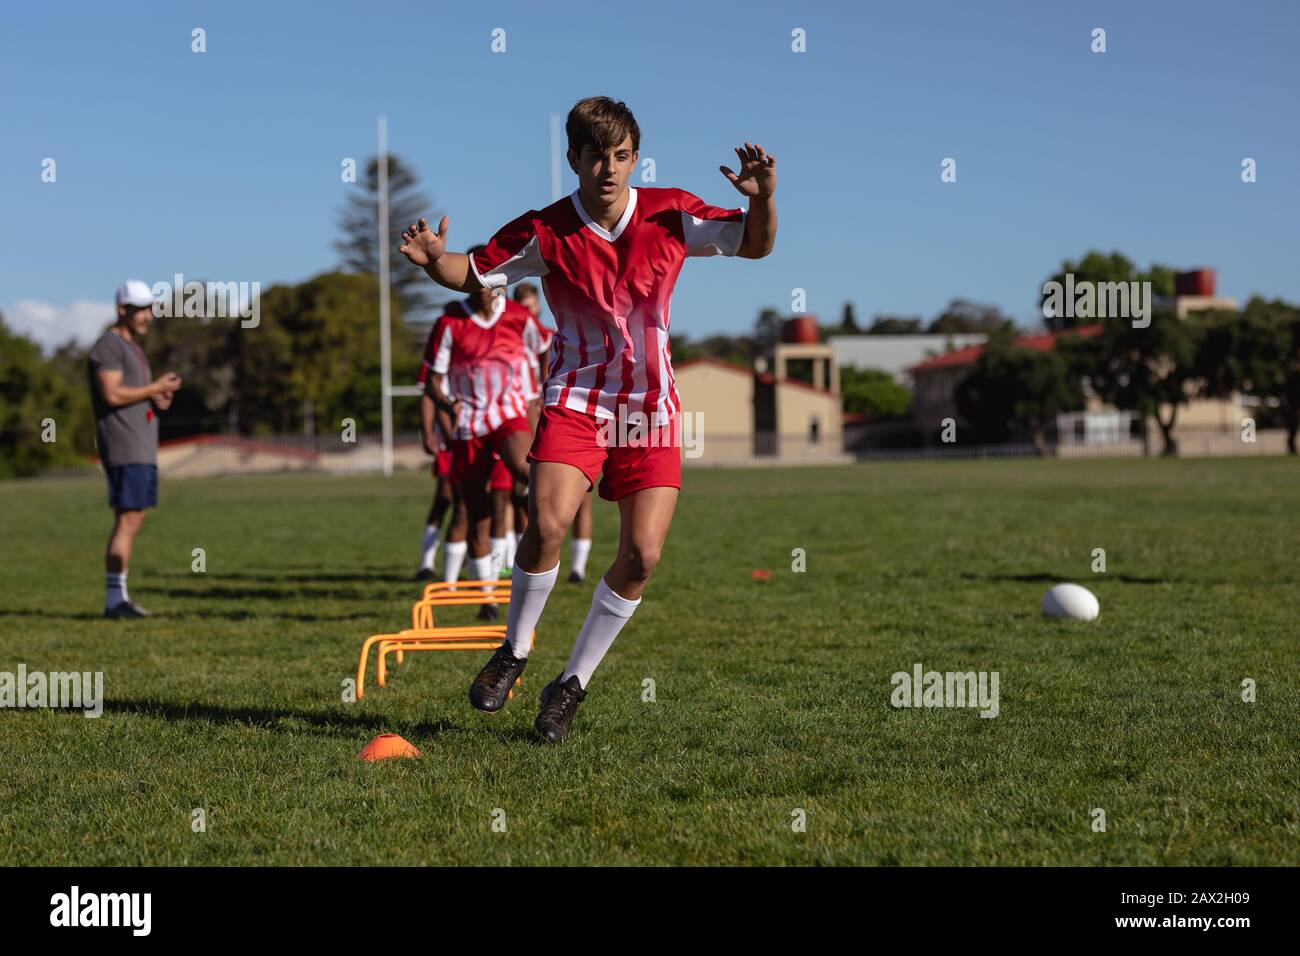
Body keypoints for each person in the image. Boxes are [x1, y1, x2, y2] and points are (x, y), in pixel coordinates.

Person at [399, 95, 776, 742]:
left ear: (635, 158)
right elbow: (475, 274)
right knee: (545, 522)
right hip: (576, 401)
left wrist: (763, 196)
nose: (610, 168)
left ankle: (570, 683)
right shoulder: (546, 230)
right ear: (572, 158)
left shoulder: (672, 212)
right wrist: (437, 258)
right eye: (596, 156)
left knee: (642, 555)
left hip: (650, 411)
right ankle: (515, 650)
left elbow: (755, 246)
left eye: (622, 156)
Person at [421, 251, 548, 619]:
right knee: (474, 514)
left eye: (494, 283)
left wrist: (539, 391)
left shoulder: (520, 317)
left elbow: (543, 349)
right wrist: (448, 405)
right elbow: (432, 380)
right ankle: (487, 600)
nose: (489, 290)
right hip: (469, 423)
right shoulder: (450, 322)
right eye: (479, 284)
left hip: (509, 414)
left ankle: (538, 511)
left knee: (527, 468)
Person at [87, 280, 182, 619]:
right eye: (140, 309)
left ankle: (120, 598)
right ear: (122, 310)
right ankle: (115, 601)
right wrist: (153, 387)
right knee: (127, 520)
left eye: (150, 308)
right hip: (124, 446)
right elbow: (112, 395)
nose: (147, 316)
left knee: (134, 519)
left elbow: (132, 393)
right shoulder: (108, 346)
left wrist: (156, 397)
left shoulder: (133, 348)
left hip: (140, 446)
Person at [513, 282, 592, 584]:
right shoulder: (508, 334)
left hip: (558, 416)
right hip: (517, 418)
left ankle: (578, 569)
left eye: (533, 309)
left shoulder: (551, 338)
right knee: (517, 497)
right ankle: (512, 564)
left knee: (580, 500)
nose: (528, 315)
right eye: (524, 309)